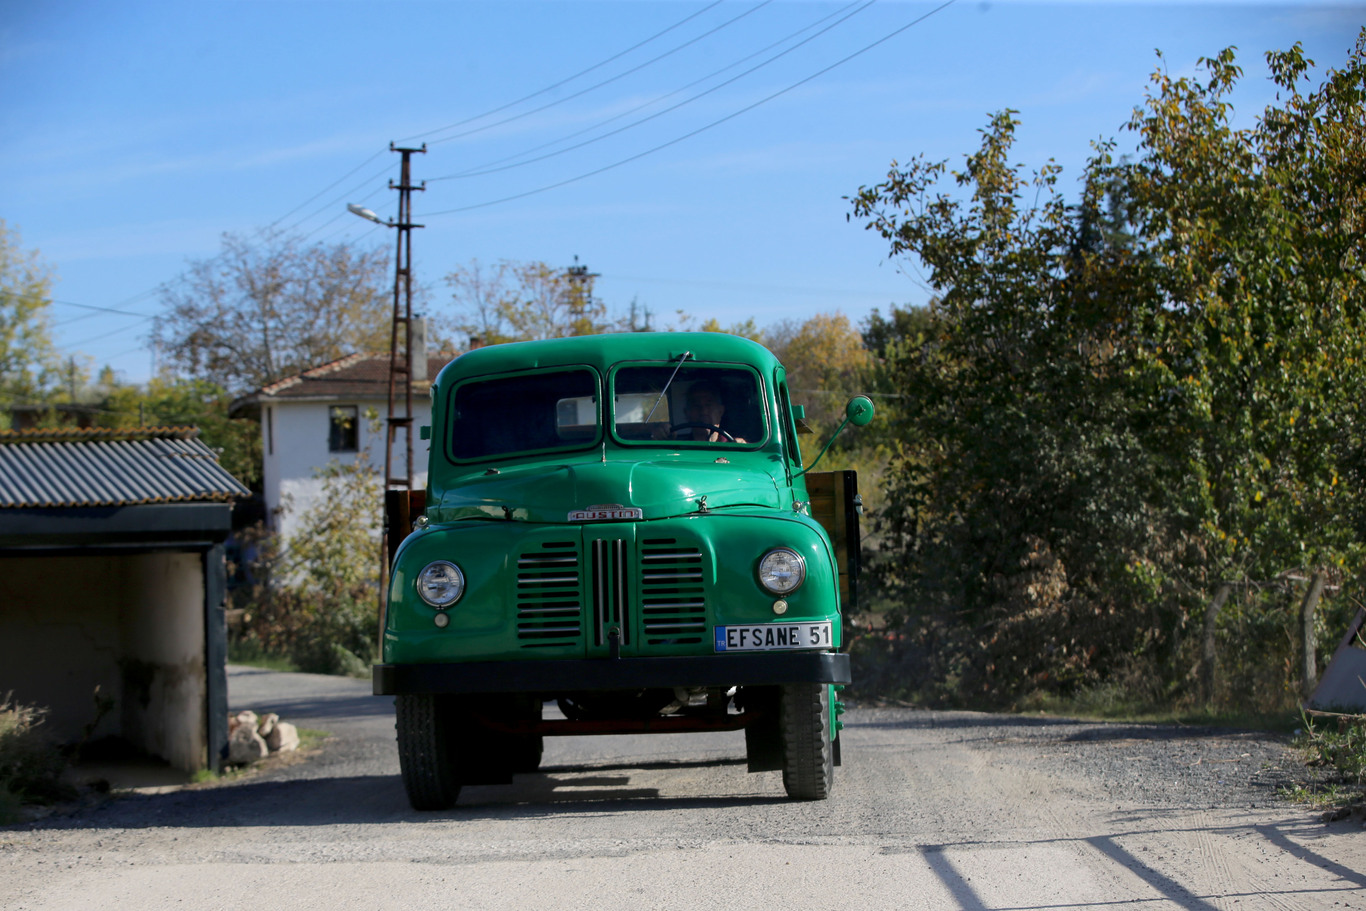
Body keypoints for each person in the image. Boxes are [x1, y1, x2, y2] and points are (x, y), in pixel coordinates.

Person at [678, 381, 746, 443]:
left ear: (720, 411)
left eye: (708, 405)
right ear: (687, 413)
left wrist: (742, 449)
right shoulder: (677, 449)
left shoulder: (733, 446)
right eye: (696, 405)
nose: (703, 411)